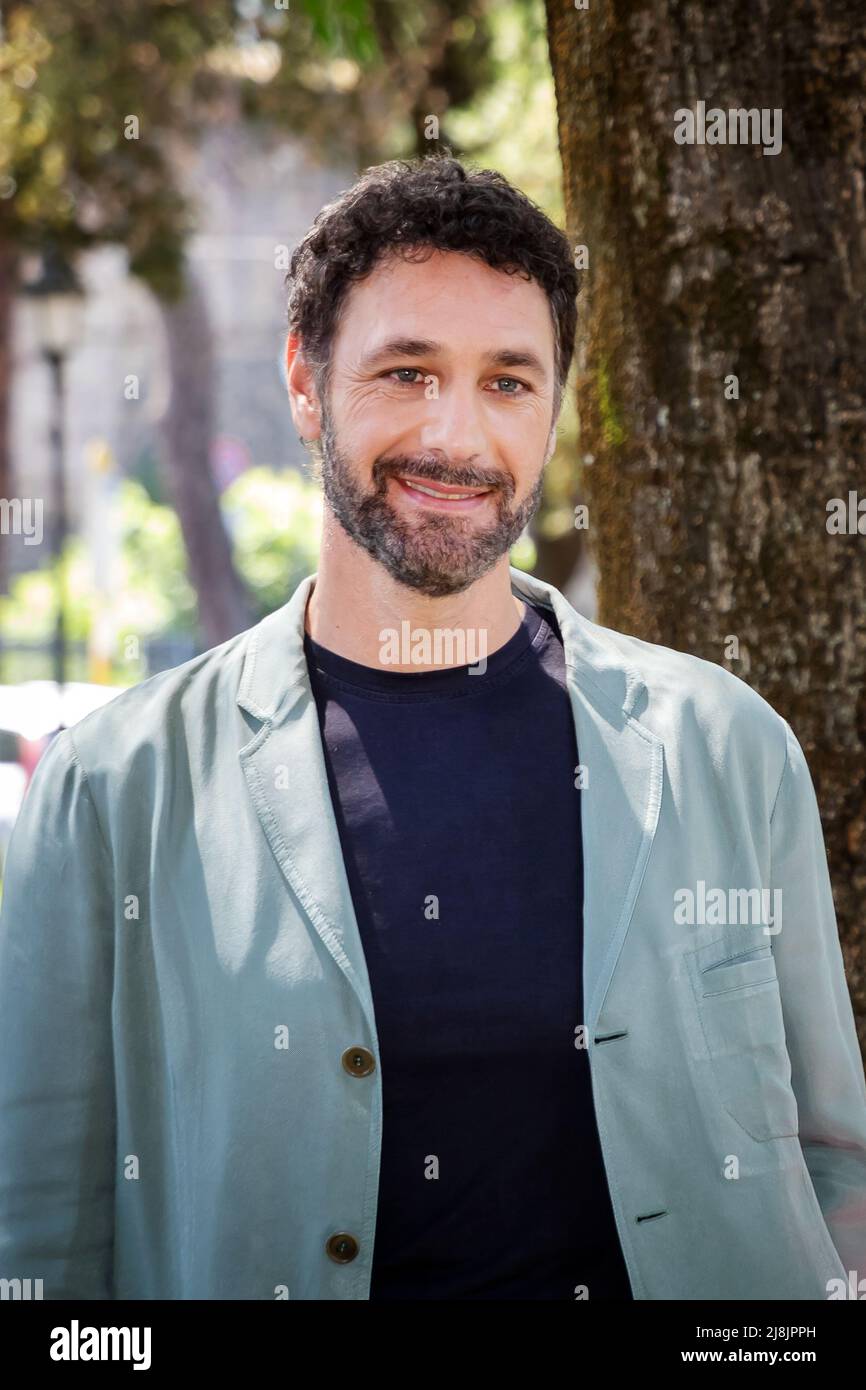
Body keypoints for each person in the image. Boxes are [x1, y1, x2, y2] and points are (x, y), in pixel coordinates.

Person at [1, 154, 865, 1302]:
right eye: (406, 371)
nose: (455, 436)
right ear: (304, 383)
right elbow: (41, 1238)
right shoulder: (113, 786)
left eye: (508, 381)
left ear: (554, 406)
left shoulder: (727, 747)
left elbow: (833, 1172)